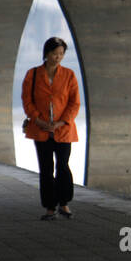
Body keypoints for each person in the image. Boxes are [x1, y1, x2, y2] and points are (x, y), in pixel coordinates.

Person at [21, 37, 81, 220]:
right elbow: (27, 101)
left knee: (63, 166)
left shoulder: (69, 75)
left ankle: (64, 203)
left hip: (63, 130)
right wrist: (39, 121)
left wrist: (62, 122)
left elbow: (74, 103)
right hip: (41, 131)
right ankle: (49, 207)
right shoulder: (32, 75)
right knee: (46, 169)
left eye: (61, 54)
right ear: (46, 54)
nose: (58, 57)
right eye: (55, 54)